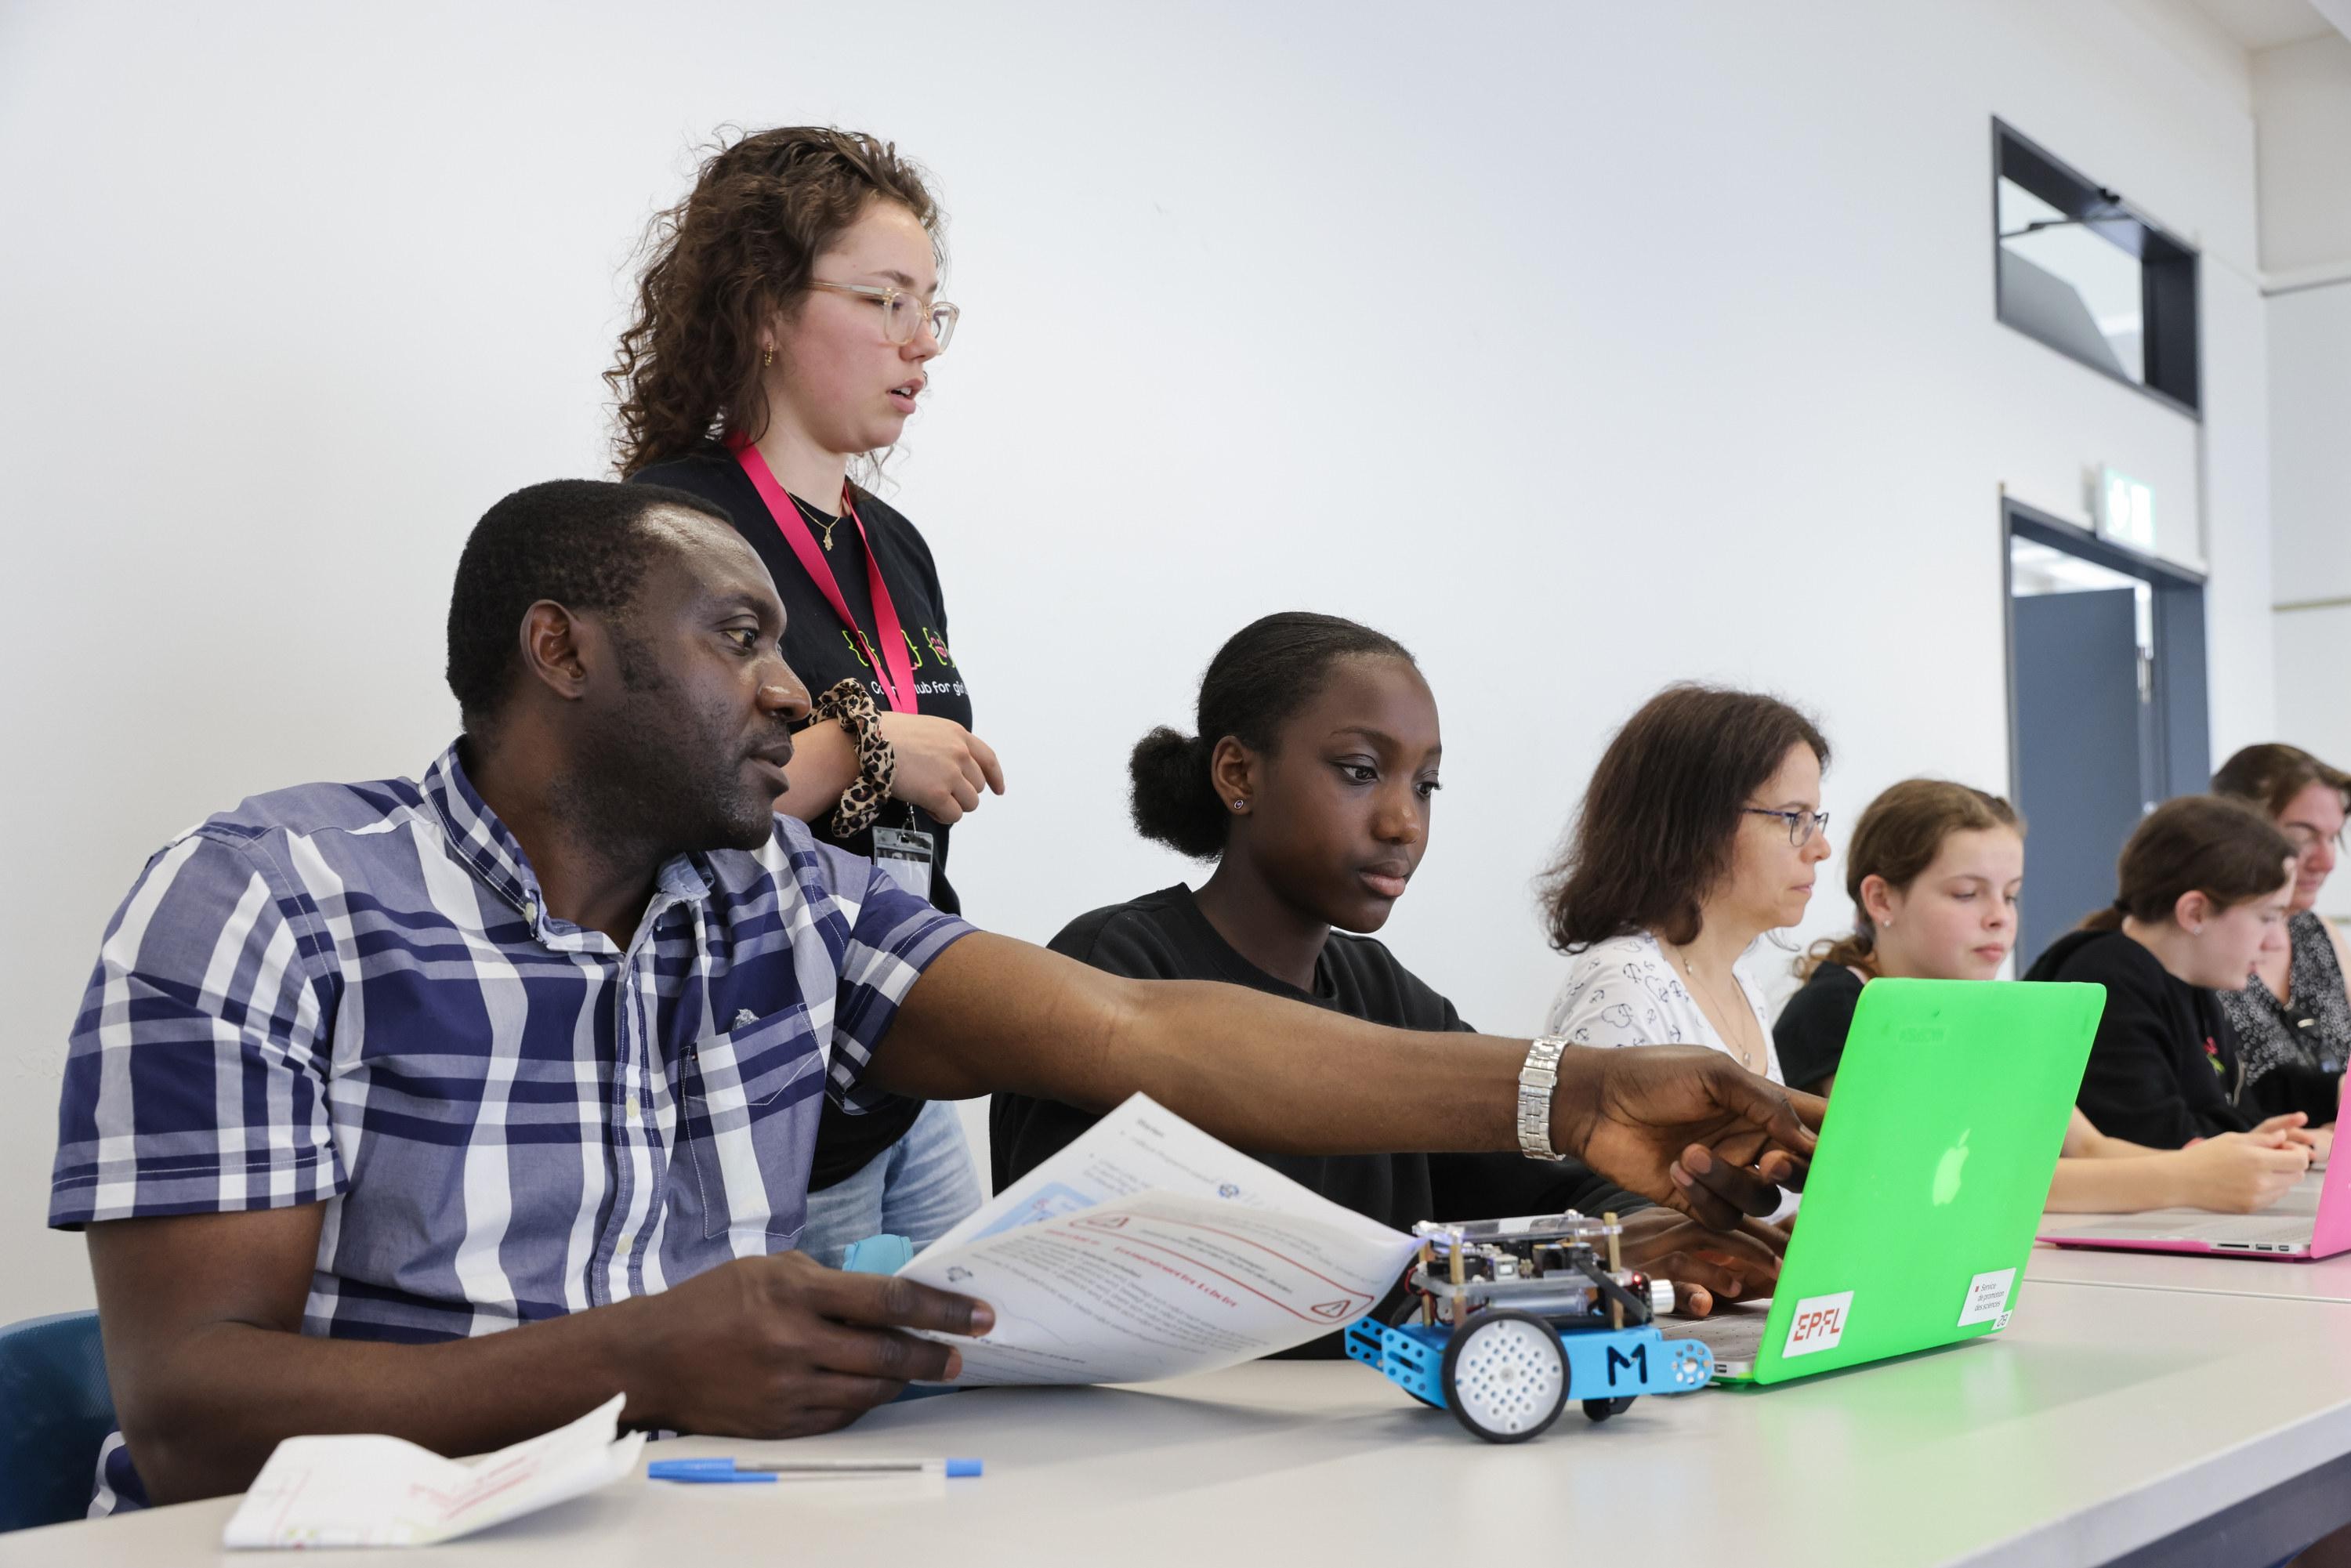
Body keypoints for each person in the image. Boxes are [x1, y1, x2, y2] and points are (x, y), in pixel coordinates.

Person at [54, 482, 1820, 1509]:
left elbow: (1136, 1028)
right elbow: (194, 1401)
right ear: (561, 648)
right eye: (734, 635)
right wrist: (635, 1358)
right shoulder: (269, 898)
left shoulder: (781, 900)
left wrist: (1570, 1098)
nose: (790, 690)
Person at [992, 614, 1785, 1331]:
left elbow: (1550, 1181)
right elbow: (1106, 1274)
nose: (1404, 821)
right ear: (1238, 775)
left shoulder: (1382, 994)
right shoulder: (1118, 969)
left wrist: (1658, 1229)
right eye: (1360, 770)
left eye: (1426, 784)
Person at [610, 127, 1002, 1263]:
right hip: (760, 1078)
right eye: (885, 302)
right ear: (765, 311)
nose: (919, 344)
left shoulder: (897, 545)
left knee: (973, 1380)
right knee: (819, 1421)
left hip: (896, 1057)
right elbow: (648, 802)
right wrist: (871, 751)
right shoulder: (670, 528)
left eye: (931, 308)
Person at [1776, 780, 2309, 1214]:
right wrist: (2187, 1178)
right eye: (1967, 893)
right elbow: (1961, 1181)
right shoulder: (1840, 1010)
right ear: (1880, 897)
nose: (1999, 916)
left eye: (2010, 895)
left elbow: (2090, 1146)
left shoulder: (1989, 1011)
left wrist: (2228, 1156)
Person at [1541, 684, 1832, 1089]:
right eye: (1792, 818)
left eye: (1815, 819)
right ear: (1698, 825)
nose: (1821, 848)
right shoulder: (1627, 984)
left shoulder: (1743, 985)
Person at [2023, 795, 2324, 1151]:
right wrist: (2263, 1139)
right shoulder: (2110, 979)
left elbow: (2233, 1112)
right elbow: (2159, 1139)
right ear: (2195, 913)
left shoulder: (2193, 986)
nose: (2276, 942)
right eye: (2268, 918)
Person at [2212, 744, 2351, 1114]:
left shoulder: (2318, 934)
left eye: (2333, 837)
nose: (2327, 861)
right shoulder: (2201, 946)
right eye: (2302, 836)